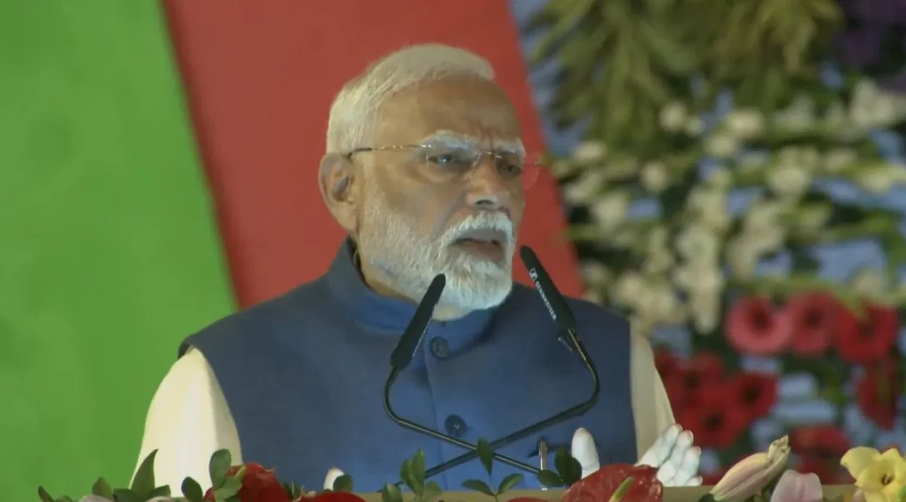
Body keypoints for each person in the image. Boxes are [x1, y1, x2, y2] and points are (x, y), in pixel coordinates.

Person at [134, 44, 702, 493]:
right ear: (344, 187)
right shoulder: (222, 378)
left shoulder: (606, 354)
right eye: (446, 159)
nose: (491, 192)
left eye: (508, 165)